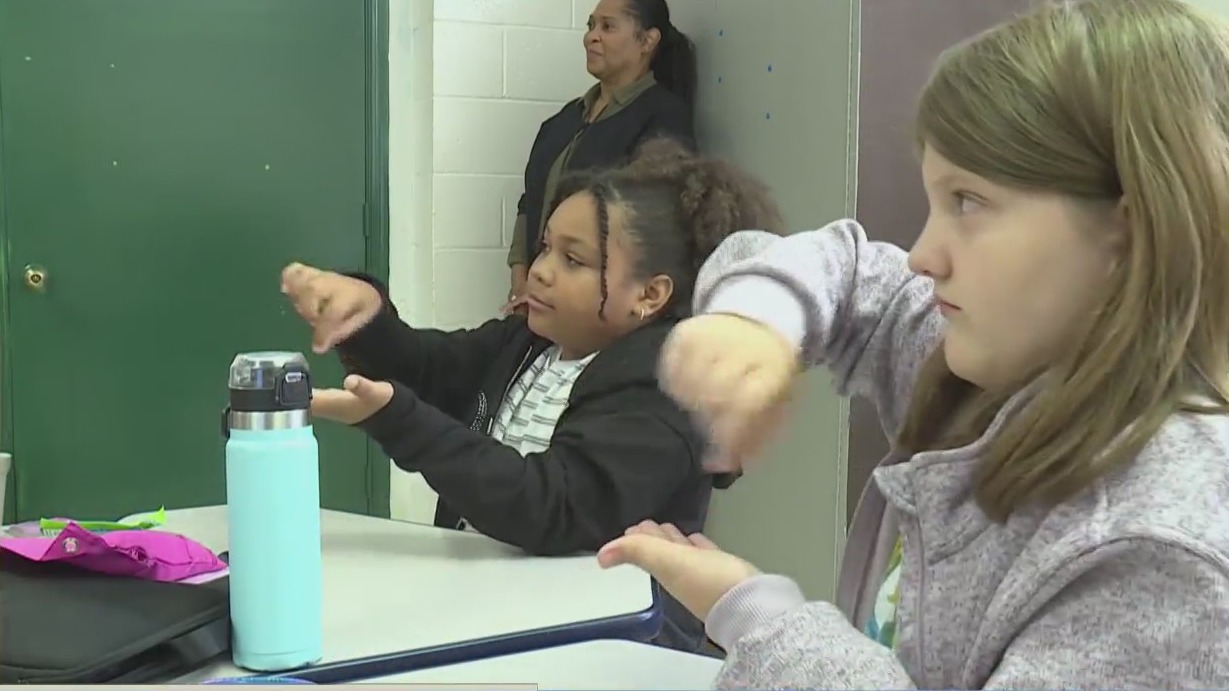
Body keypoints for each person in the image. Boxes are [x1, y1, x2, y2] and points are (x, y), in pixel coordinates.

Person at [597, 0, 1229, 688]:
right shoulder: (999, 357)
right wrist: (757, 319)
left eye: (967, 201)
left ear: (1125, 232)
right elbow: (851, 270)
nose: (924, 254)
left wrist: (752, 613)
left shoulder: (1156, 553)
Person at [279, 138, 784, 653]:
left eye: (573, 260)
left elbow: (551, 505)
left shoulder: (666, 390)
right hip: (502, 612)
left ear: (649, 295)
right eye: (545, 247)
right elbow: (431, 369)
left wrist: (400, 421)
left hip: (612, 649)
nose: (541, 269)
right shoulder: (529, 341)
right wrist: (367, 318)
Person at [504, 0, 698, 315]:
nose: (591, 37)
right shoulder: (562, 121)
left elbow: (652, 226)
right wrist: (521, 276)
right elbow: (530, 203)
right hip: (539, 304)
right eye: (590, 25)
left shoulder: (663, 119)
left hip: (599, 313)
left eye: (607, 27)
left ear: (647, 41)